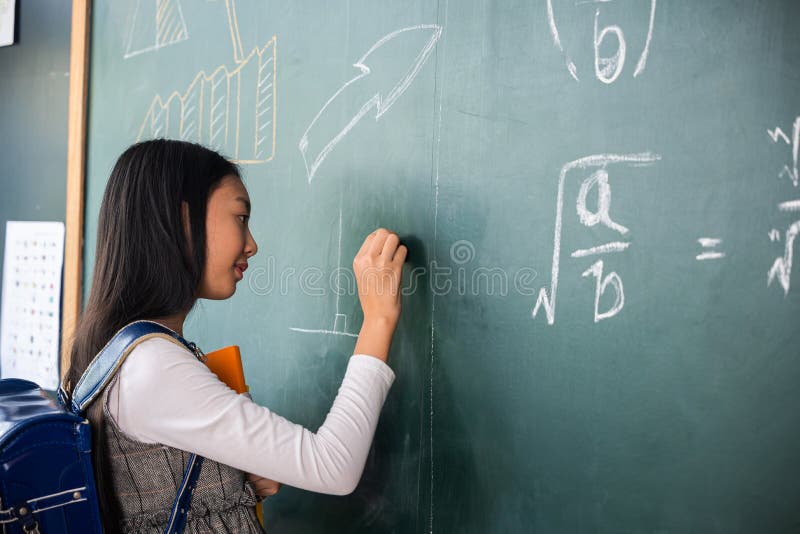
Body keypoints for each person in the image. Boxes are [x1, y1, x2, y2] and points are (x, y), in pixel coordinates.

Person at [63, 139, 406, 533]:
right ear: (183, 219)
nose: (252, 244)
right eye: (241, 217)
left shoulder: (117, 353)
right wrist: (378, 319)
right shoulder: (153, 365)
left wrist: (229, 481)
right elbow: (333, 465)